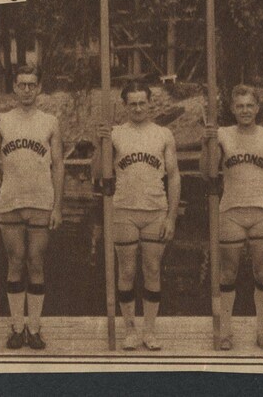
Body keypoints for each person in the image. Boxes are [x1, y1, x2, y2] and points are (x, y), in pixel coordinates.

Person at [96, 81, 180, 351]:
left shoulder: (163, 134)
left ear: (150, 103)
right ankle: (129, 329)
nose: (138, 108)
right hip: (123, 210)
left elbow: (175, 176)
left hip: (155, 210)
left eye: (142, 102)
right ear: (125, 106)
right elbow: (98, 172)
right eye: (132, 103)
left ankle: (150, 330)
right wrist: (100, 143)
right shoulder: (115, 133)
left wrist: (171, 217)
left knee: (153, 269)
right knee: (127, 270)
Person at [0, 64, 64, 350]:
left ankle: (35, 327)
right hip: (11, 200)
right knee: (15, 262)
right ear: (14, 88)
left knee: (36, 262)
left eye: (32, 85)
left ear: (39, 88)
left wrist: (58, 206)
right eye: (22, 85)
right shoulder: (1, 120)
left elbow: (58, 165)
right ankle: (17, 326)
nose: (27, 90)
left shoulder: (50, 121)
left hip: (41, 200)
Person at [204, 85, 263, 350]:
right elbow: (207, 172)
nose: (245, 110)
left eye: (249, 105)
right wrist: (206, 143)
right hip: (231, 211)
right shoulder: (221, 134)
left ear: (257, 108)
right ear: (232, 109)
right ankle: (225, 331)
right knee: (227, 274)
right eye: (239, 106)